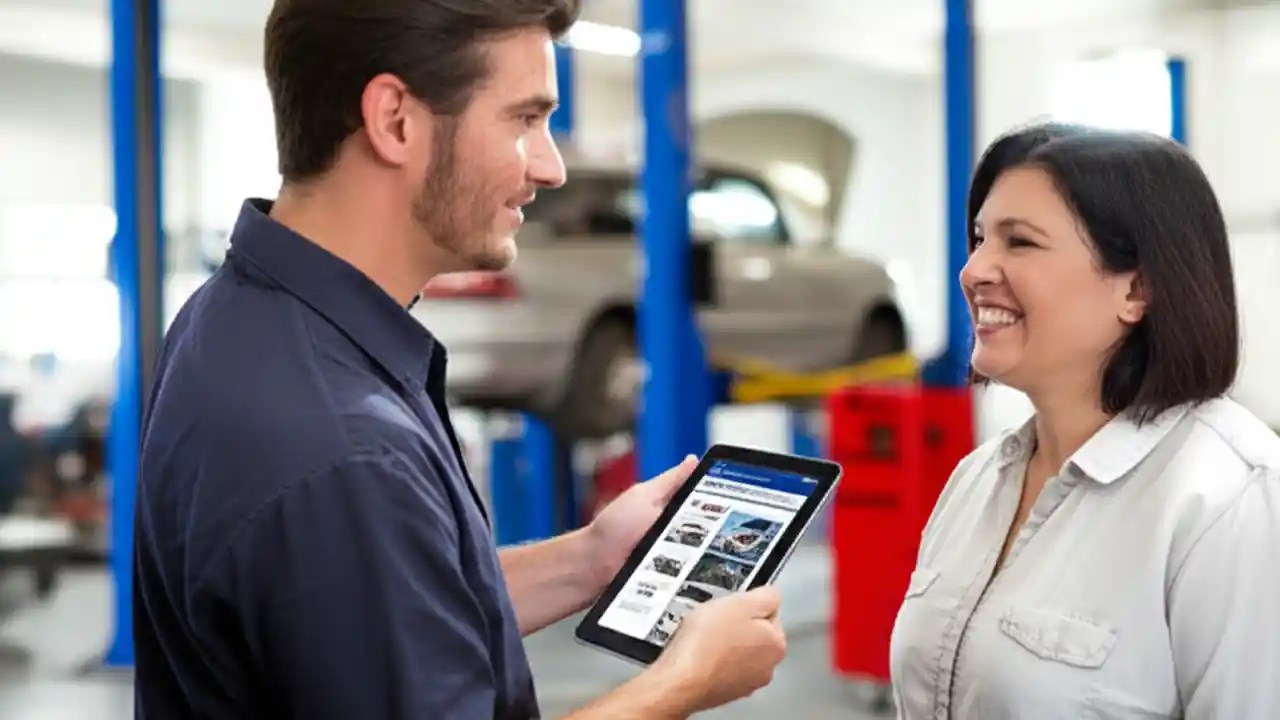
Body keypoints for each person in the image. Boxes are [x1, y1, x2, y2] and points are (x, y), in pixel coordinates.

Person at [131, 1, 788, 718]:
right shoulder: (345, 449)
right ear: (396, 122)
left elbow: (375, 613)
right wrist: (684, 681)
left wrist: (589, 560)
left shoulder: (237, 317)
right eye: (524, 119)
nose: (552, 166)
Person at [889, 121, 1280, 718]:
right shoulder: (978, 478)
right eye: (979, 239)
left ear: (1138, 288)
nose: (973, 271)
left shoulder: (1228, 499)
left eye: (1019, 242)